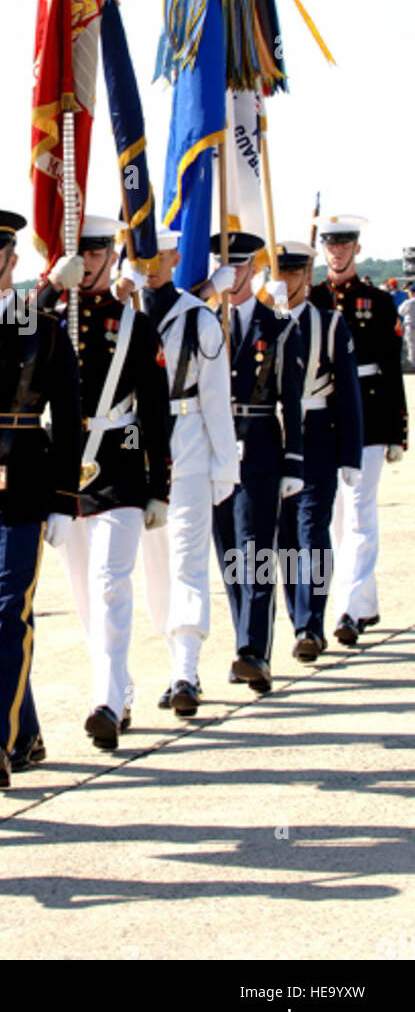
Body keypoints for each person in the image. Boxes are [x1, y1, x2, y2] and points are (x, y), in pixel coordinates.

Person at [0, 209, 82, 786]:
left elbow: (70, 421)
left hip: (27, 487)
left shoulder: (42, 329)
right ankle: (25, 734)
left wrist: (63, 497)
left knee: (10, 611)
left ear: (12, 260)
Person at [39, 217, 171, 748]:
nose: (88, 262)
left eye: (95, 253)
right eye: (79, 253)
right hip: (66, 471)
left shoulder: (135, 325)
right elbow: (3, 336)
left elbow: (157, 411)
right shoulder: (48, 322)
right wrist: (49, 289)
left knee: (110, 583)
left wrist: (158, 485)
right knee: (84, 595)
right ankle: (119, 686)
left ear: (110, 255)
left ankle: (107, 703)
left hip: (119, 464)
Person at [119, 228, 238, 718]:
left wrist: (224, 463)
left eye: (159, 256)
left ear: (175, 258)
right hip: (136, 445)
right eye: (141, 256)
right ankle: (174, 662)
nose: (150, 265)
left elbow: (214, 397)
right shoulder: (123, 314)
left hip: (186, 441)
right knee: (153, 566)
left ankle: (187, 668)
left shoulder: (199, 318)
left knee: (187, 557)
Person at [210, 232, 305, 694]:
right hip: (216, 446)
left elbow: (293, 400)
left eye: (241, 266)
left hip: (262, 443)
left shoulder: (278, 324)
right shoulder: (205, 321)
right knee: (229, 554)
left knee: (257, 552)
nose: (233, 274)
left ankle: (255, 650)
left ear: (253, 269)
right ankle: (243, 642)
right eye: (225, 266)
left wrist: (294, 461)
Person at [310, 216, 408, 645]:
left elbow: (390, 369)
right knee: (333, 518)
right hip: (324, 414)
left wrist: (397, 430)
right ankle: (362, 604)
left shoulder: (378, 302)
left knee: (361, 513)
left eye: (344, 243)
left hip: (368, 416)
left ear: (356, 248)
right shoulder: (311, 298)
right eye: (330, 244)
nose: (337, 250)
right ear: (322, 249)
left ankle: (348, 610)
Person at [275, 241, 363, 659]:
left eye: (292, 273)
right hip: (273, 436)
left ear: (306, 277)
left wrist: (350, 455)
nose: (284, 281)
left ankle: (312, 623)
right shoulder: (264, 322)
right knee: (285, 538)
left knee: (313, 531)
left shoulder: (329, 324)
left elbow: (348, 393)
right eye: (279, 273)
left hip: (316, 435)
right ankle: (299, 619)